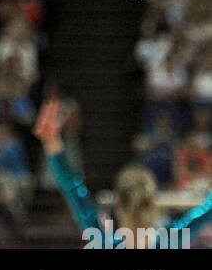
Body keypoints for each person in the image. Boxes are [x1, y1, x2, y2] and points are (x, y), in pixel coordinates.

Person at [35, 96, 212, 247]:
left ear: (117, 202)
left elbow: (74, 190)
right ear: (151, 202)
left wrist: (52, 144)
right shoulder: (169, 241)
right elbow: (206, 211)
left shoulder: (103, 242)